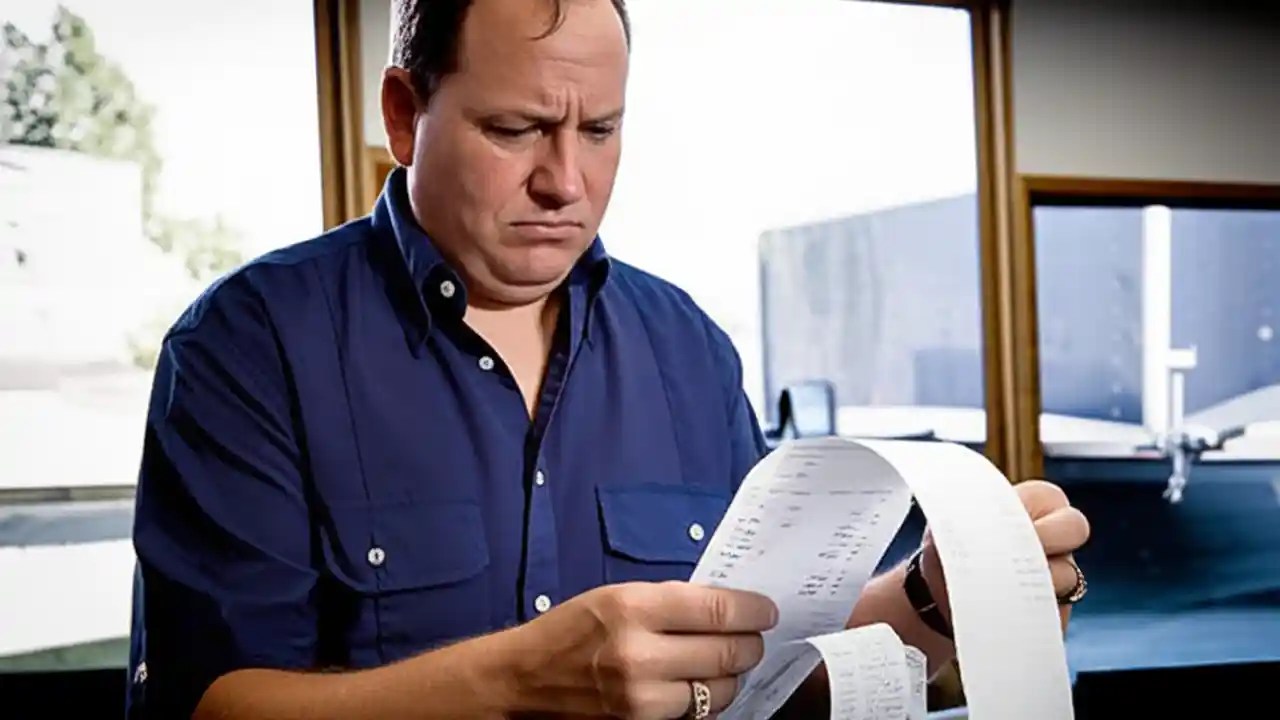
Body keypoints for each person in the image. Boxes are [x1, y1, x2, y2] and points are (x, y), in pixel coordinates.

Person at [126, 0, 1091, 718]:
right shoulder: (247, 348)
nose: (565, 181)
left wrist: (933, 602)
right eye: (515, 130)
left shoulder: (691, 353)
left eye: (599, 131)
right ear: (404, 115)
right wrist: (513, 682)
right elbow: (206, 708)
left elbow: (751, 677)